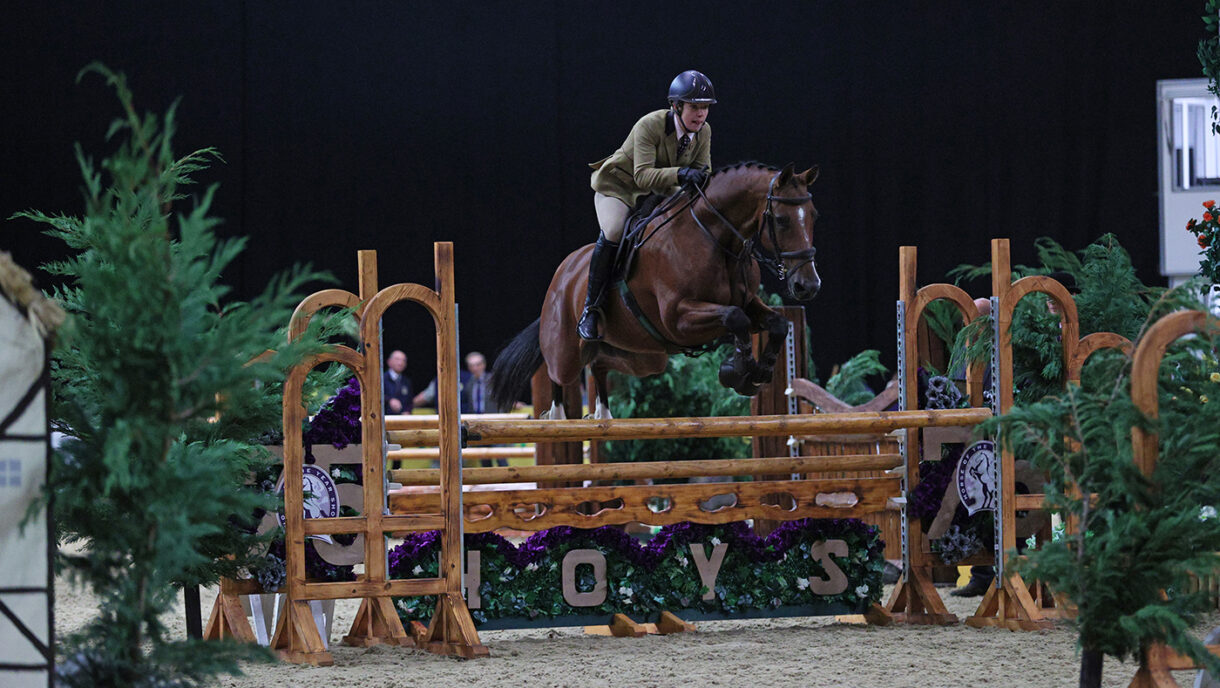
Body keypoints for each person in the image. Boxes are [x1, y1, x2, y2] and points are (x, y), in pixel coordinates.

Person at [578, 69, 716, 341]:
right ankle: (591, 309)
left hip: (659, 191)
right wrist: (681, 174)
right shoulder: (649, 125)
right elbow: (641, 175)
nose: (700, 114)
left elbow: (704, 172)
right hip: (619, 187)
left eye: (705, 108)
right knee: (616, 230)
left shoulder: (704, 131)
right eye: (694, 107)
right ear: (676, 106)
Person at [383, 349, 413, 415]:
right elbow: (375, 396)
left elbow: (410, 401)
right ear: (389, 361)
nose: (400, 363)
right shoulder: (381, 379)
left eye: (404, 360)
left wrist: (407, 411)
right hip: (384, 419)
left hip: (402, 420)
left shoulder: (407, 381)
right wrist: (389, 400)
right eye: (397, 359)